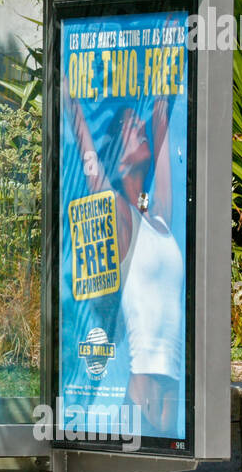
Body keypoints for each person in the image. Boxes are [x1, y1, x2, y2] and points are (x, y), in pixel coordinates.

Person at [63, 88, 184, 434]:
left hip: (167, 416)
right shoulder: (119, 213)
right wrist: (72, 99)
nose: (139, 127)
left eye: (138, 123)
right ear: (117, 158)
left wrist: (169, 45)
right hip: (136, 410)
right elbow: (90, 162)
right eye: (130, 127)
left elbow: (160, 118)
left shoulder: (157, 216)